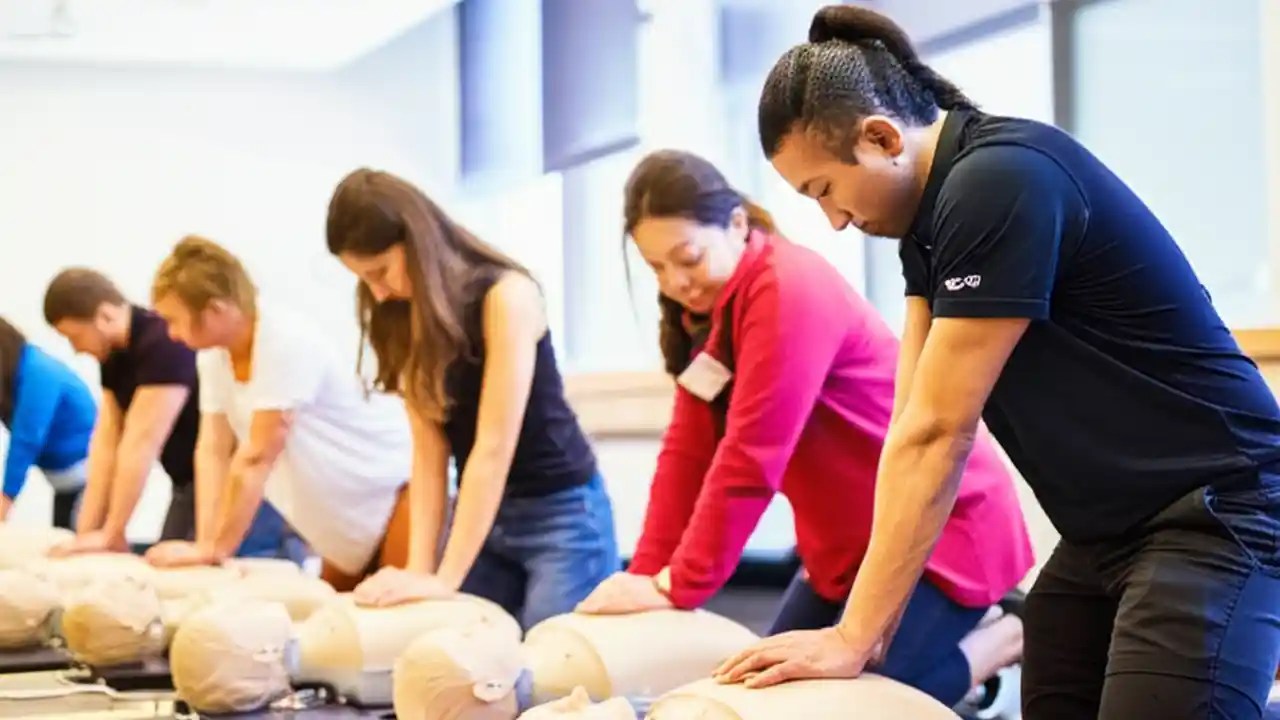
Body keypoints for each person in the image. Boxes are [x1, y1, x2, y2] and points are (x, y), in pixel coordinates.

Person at [716, 6, 1280, 719]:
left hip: (1216, 508)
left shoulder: (999, 182)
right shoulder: (926, 228)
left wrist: (853, 636)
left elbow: (938, 435)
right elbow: (911, 423)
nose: (832, 219)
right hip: (1104, 532)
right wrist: (860, 626)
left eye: (824, 190)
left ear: (882, 137)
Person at [573, 149, 1030, 708]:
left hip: (942, 529)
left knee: (860, 703)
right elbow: (687, 455)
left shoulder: (788, 288)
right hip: (844, 545)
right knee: (761, 691)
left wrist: (676, 585)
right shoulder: (712, 315)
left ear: (737, 225)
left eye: (686, 258)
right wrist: (645, 577)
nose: (675, 283)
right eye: (656, 269)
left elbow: (749, 458)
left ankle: (1006, 635)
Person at [326, 168, 619, 630]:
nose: (378, 294)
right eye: (365, 281)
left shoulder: (507, 295)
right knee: (462, 655)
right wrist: (420, 572)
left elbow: (492, 447)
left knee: (549, 667)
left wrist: (445, 581)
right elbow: (428, 454)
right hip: (486, 516)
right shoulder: (401, 316)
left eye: (380, 272)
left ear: (416, 241)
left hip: (561, 516)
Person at [143, 236, 412, 586]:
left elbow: (256, 456)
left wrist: (216, 549)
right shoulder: (214, 357)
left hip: (392, 490)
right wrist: (205, 545)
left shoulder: (284, 340)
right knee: (336, 630)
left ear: (216, 310)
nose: (171, 334)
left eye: (173, 320)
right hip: (342, 518)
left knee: (394, 628)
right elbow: (212, 451)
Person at [43, 268, 292, 559]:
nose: (76, 349)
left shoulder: (162, 343)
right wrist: (85, 535)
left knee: (219, 574)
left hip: (234, 482)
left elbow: (142, 443)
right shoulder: (113, 357)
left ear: (106, 316)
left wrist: (113, 532)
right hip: (188, 482)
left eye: (75, 336)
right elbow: (106, 444)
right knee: (162, 562)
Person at [0, 316, 96, 528]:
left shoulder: (38, 371)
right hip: (66, 485)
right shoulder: (14, 376)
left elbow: (26, 437)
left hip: (88, 481)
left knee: (79, 552)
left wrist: (6, 497)